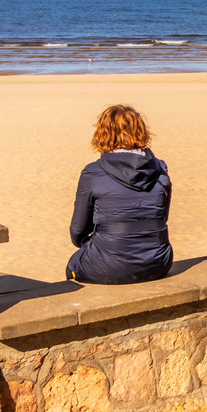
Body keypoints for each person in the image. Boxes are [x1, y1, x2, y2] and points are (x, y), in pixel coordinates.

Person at [66, 105, 173, 284]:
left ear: (103, 134)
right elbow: (163, 217)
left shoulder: (93, 172)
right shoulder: (160, 168)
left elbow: (77, 231)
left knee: (72, 267)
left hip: (108, 266)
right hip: (158, 263)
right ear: (141, 131)